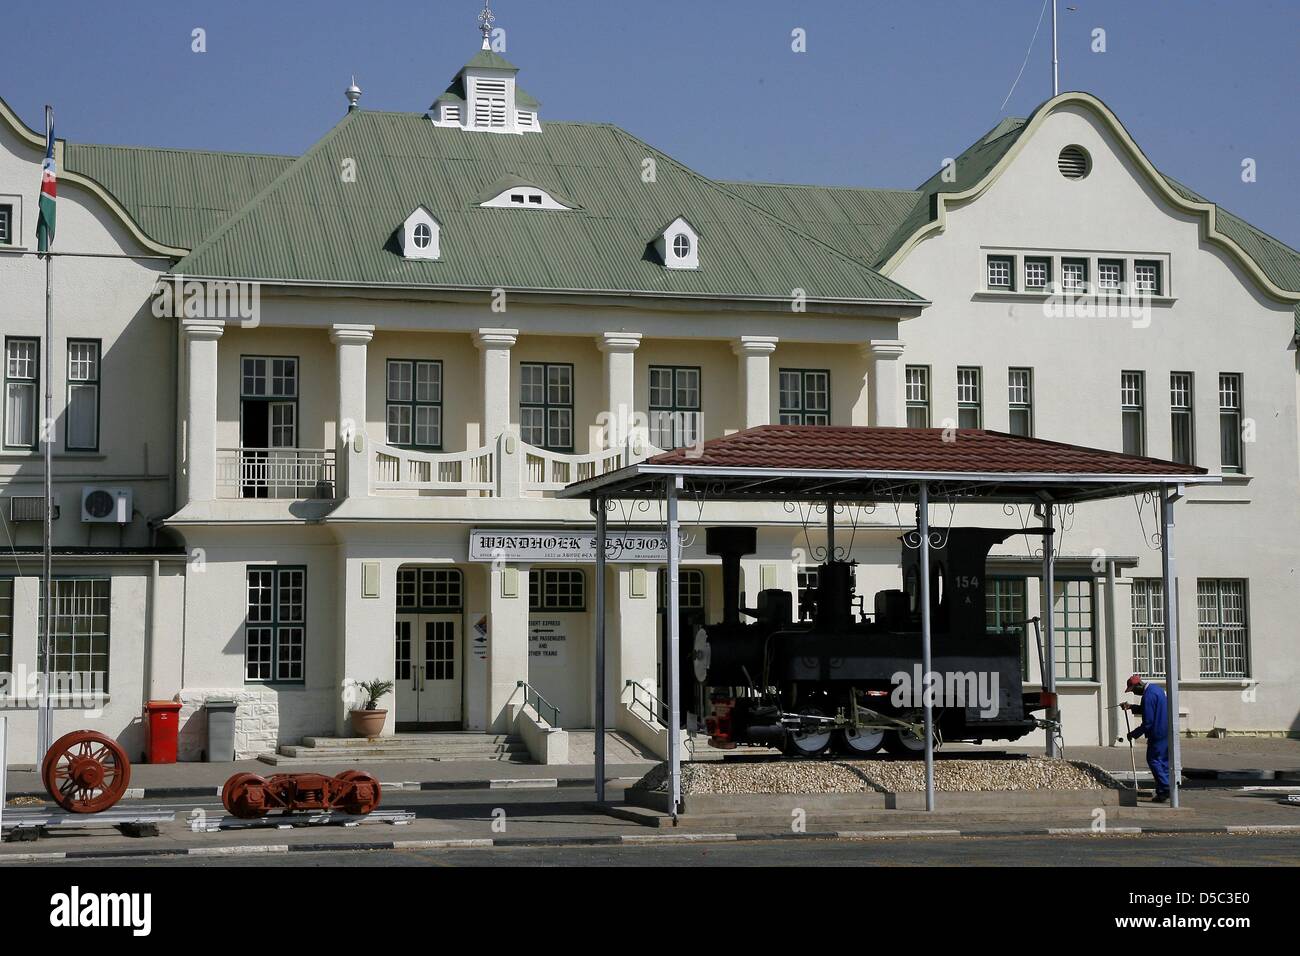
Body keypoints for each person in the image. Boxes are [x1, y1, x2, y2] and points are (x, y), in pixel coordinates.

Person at [1122, 674, 1170, 802]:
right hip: (1166, 730)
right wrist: (1131, 707)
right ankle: (1162, 793)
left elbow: (1148, 722)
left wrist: (1133, 734)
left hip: (1157, 732)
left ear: (1138, 685)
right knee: (1163, 762)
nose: (1134, 693)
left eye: (1132, 690)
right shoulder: (1156, 689)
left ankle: (1166, 787)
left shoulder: (1148, 696)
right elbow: (1150, 710)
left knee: (1153, 760)